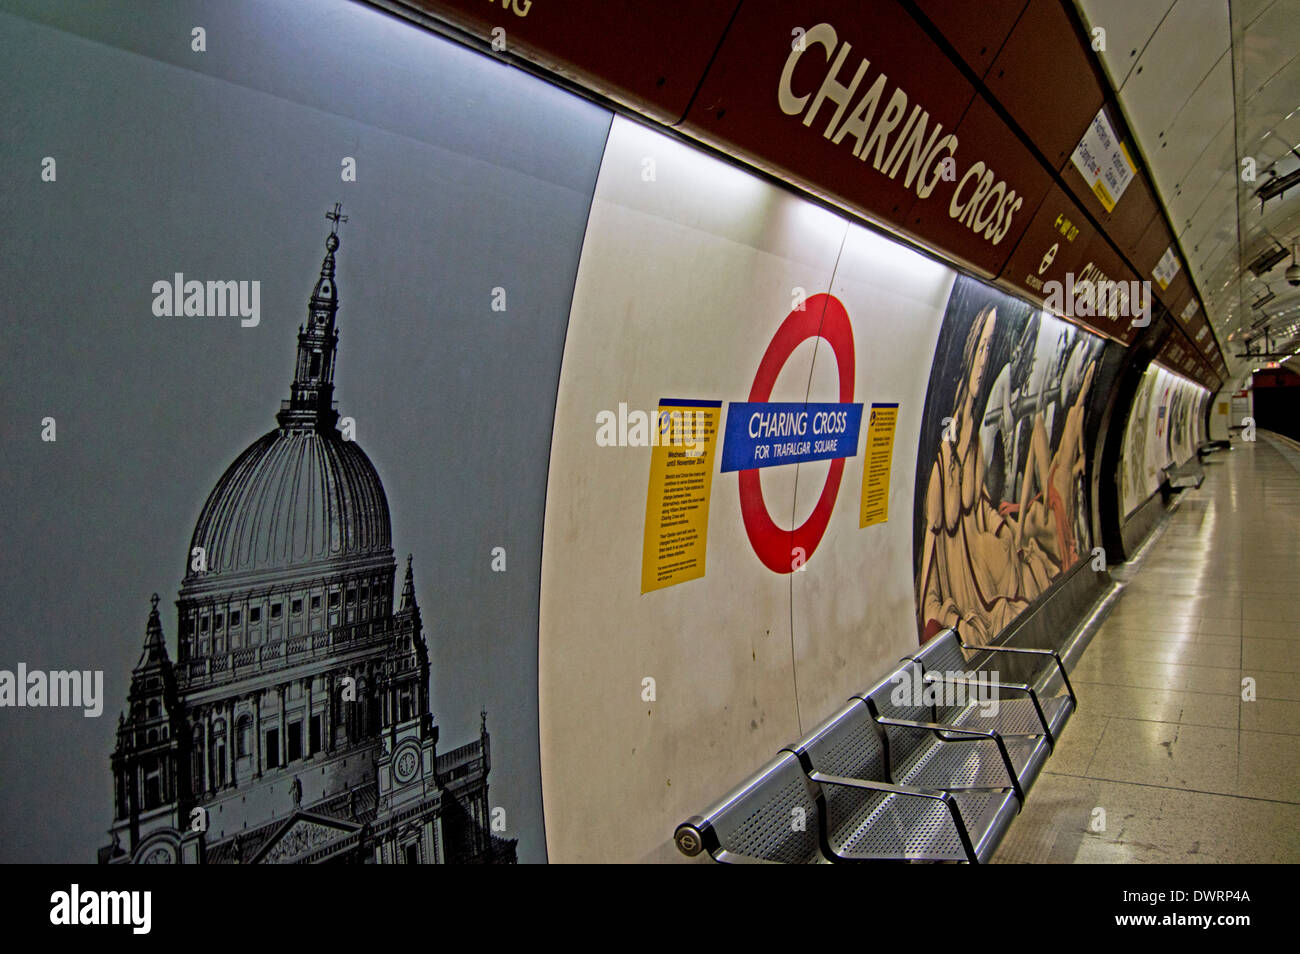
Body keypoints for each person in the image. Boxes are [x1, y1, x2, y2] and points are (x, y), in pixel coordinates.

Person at [917, 306, 1054, 648]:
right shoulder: (941, 454)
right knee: (1009, 602)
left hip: (979, 568)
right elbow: (932, 549)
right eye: (980, 348)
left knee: (1023, 566)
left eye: (990, 349)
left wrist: (999, 526)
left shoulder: (973, 437)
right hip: (956, 581)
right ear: (968, 351)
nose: (984, 361)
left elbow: (978, 505)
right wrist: (929, 616)